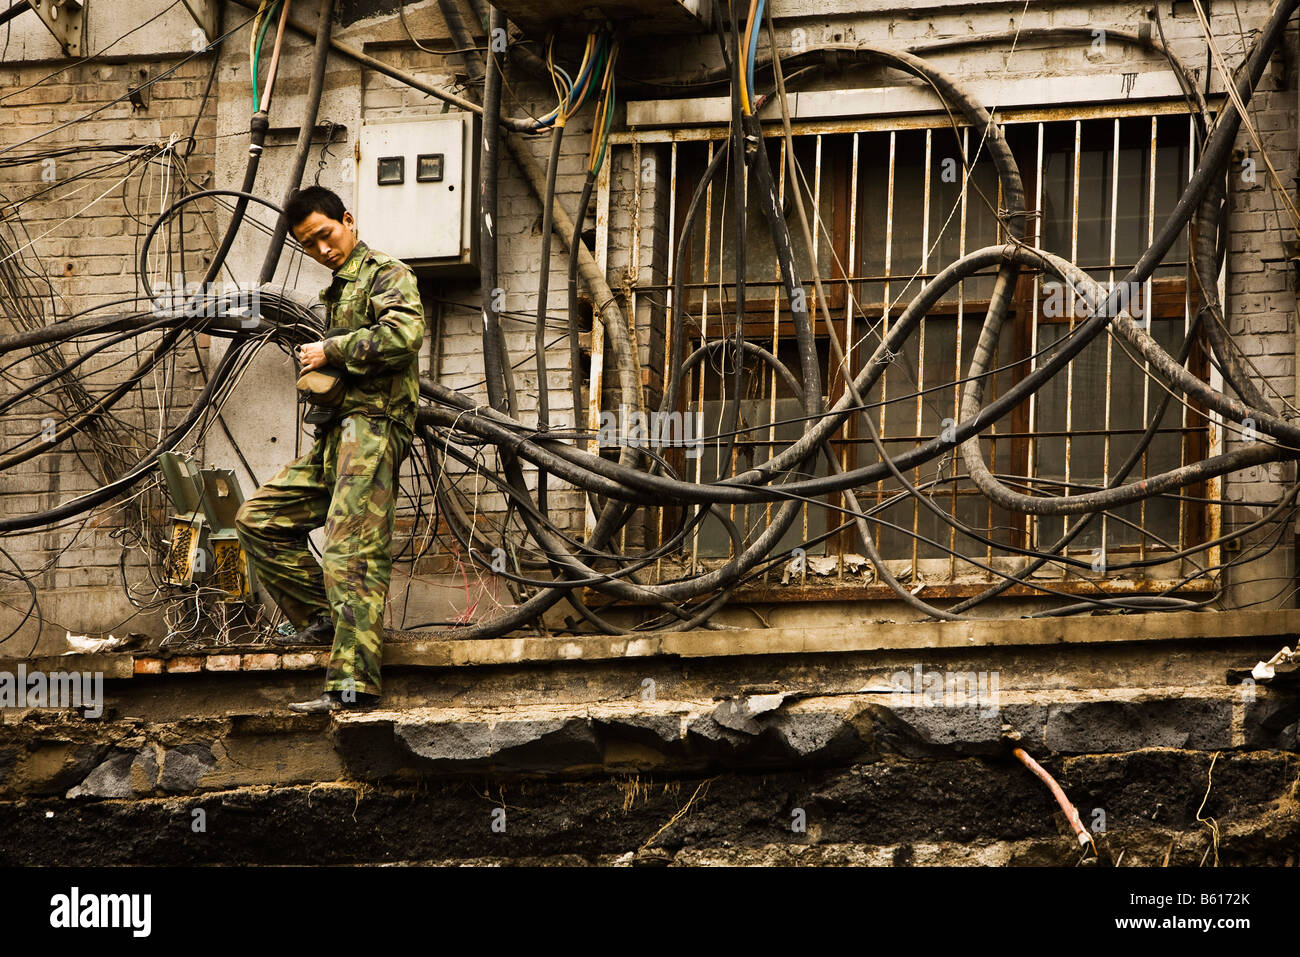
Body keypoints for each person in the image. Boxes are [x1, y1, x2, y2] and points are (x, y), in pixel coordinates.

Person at [234, 185, 425, 713]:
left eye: (325, 234)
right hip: (337, 435)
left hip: (372, 431)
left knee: (351, 551)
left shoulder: (387, 272)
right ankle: (323, 622)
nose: (321, 249)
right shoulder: (338, 289)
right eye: (308, 244)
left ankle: (352, 687)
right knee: (259, 519)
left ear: (347, 220)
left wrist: (330, 349)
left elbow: (404, 335)